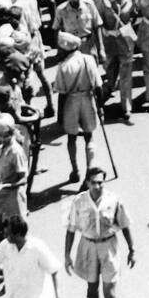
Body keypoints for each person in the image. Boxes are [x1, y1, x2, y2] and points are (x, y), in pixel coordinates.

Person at [64, 168, 135, 298]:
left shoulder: (113, 199)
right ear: (87, 183)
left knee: (110, 293)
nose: (97, 186)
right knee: (91, 289)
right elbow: (71, 229)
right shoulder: (78, 201)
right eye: (93, 183)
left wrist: (132, 249)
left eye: (100, 183)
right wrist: (67, 255)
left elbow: (124, 224)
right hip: (88, 246)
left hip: (109, 246)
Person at [52, 31, 103, 184]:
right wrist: (100, 107)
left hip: (71, 101)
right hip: (87, 98)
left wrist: (60, 115)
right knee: (89, 135)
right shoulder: (89, 60)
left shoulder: (63, 66)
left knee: (71, 137)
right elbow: (98, 86)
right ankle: (91, 168)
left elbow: (61, 93)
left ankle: (75, 170)